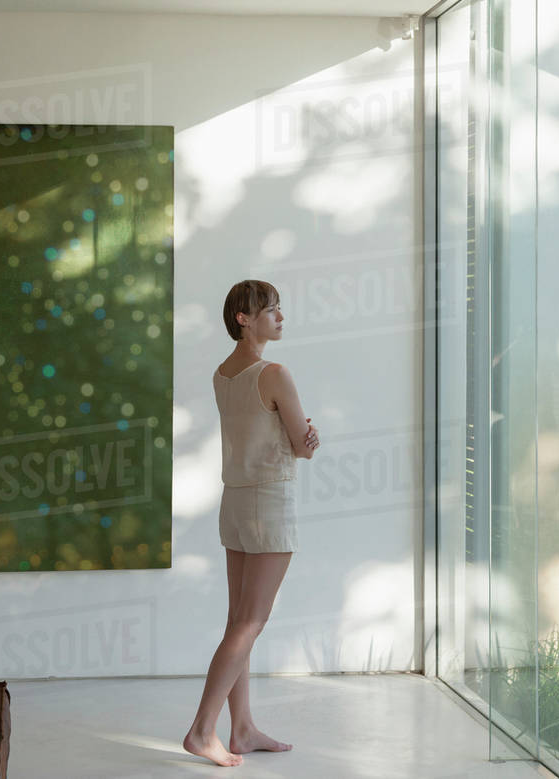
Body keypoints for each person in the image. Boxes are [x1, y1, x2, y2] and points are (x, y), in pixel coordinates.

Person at [183, 280, 320, 767]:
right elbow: (302, 445)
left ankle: (240, 729)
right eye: (271, 309)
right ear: (244, 318)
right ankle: (203, 730)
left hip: (235, 503)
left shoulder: (223, 373)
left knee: (237, 622)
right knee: (249, 623)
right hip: (268, 503)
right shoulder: (275, 373)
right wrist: (309, 439)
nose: (280, 316)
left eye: (280, 308)